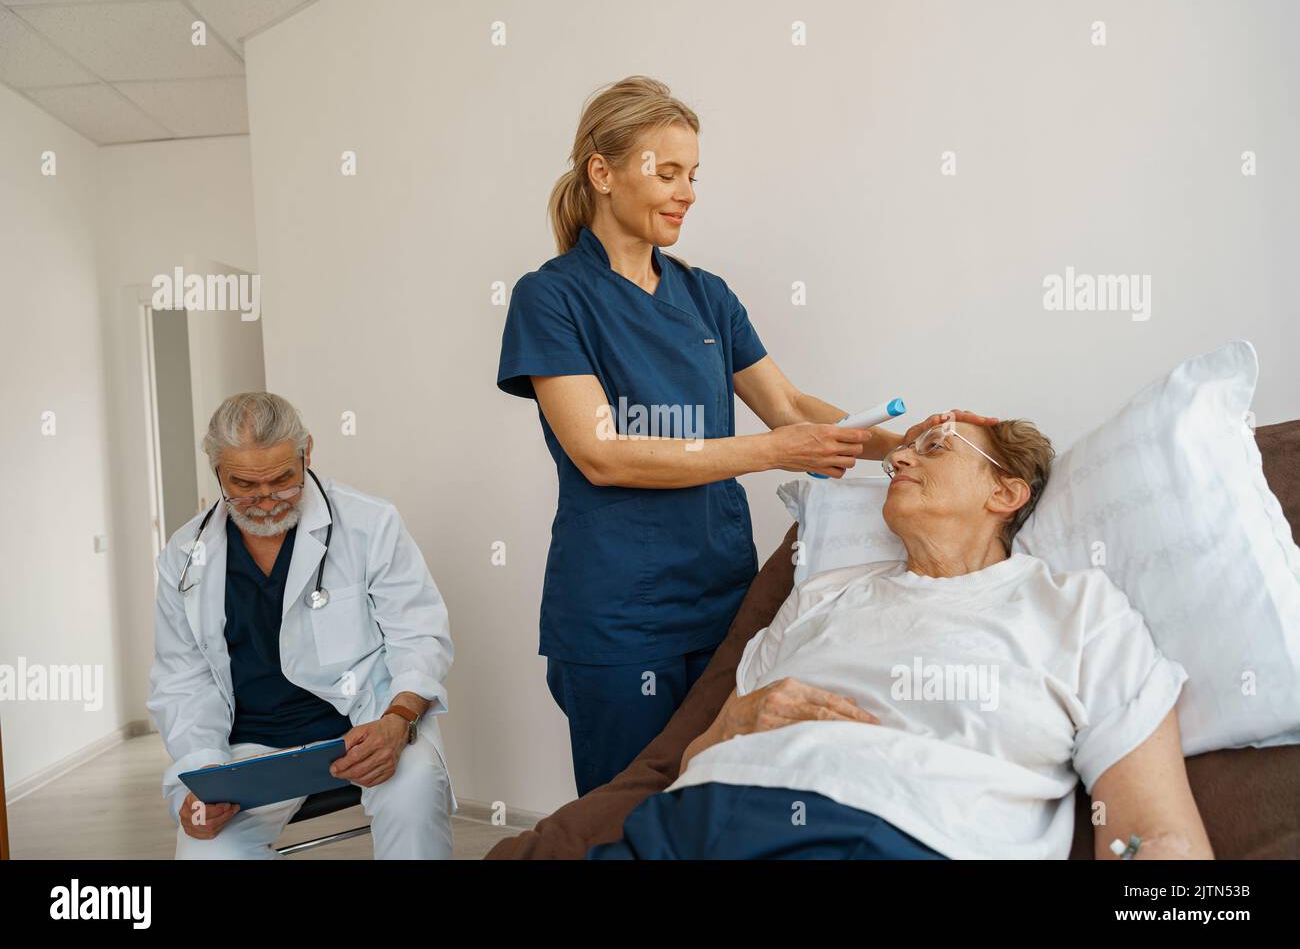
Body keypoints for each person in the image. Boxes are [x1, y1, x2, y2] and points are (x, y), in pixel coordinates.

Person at [496, 74, 996, 795]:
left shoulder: (708, 295)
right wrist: (769, 454)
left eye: (692, 175)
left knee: (722, 797)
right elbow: (600, 453)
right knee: (628, 813)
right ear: (601, 174)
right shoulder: (551, 297)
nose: (687, 191)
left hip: (722, 598)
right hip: (618, 613)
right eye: (665, 172)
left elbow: (788, 406)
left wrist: (903, 443)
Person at [590, 418, 1213, 859]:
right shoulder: (820, 593)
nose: (900, 458)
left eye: (934, 447)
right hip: (678, 826)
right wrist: (731, 722)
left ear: (1007, 492)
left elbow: (1152, 836)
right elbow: (694, 757)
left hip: (890, 831)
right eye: (901, 451)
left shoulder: (1077, 611)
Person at [148, 392, 456, 858]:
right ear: (216, 470)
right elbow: (181, 681)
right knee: (209, 852)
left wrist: (398, 719)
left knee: (413, 795)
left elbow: (419, 633)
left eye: (283, 481)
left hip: (368, 727)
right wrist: (204, 774)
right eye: (244, 485)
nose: (266, 501)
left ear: (306, 452)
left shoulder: (369, 524)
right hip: (251, 753)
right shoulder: (185, 556)